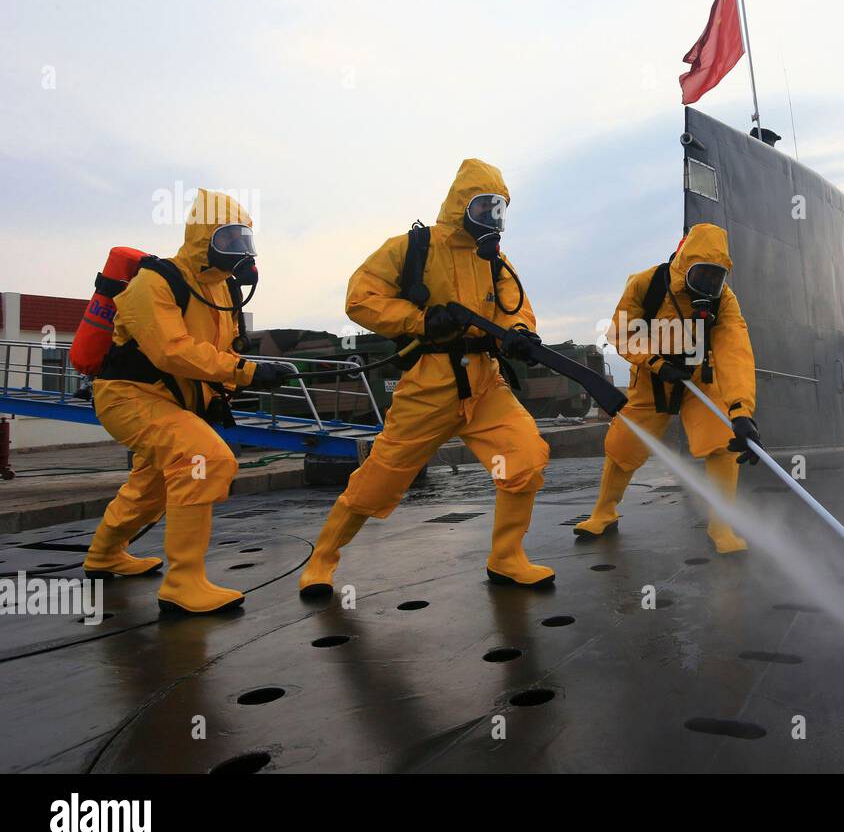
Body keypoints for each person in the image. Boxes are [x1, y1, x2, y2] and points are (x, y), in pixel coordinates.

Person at [299, 158, 553, 598]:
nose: (491, 219)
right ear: (460, 206)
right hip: (429, 386)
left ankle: (506, 558)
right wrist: (419, 320)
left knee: (525, 458)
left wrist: (520, 334)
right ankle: (321, 562)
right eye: (482, 208)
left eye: (498, 210)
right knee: (378, 480)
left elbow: (516, 308)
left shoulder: (495, 260)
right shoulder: (411, 247)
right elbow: (360, 298)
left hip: (486, 383)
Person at [83, 189, 286, 613]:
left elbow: (220, 350)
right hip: (128, 397)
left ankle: (104, 555)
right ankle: (183, 584)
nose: (238, 250)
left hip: (172, 403)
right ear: (201, 237)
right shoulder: (154, 282)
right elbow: (170, 351)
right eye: (228, 240)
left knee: (150, 487)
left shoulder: (225, 291)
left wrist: (247, 377)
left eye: (243, 240)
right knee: (203, 458)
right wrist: (247, 372)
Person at [575, 222, 760, 553]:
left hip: (700, 379)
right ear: (684, 264)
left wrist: (741, 411)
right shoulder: (647, 285)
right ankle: (604, 512)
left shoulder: (724, 301)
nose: (707, 285)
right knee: (623, 445)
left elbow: (735, 353)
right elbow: (620, 333)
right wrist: (658, 363)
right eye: (701, 275)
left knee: (721, 443)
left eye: (715, 278)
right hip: (652, 379)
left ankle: (721, 525)